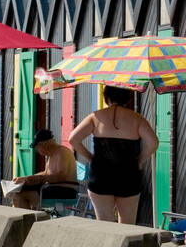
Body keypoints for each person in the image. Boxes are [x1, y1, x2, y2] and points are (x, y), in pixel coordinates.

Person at [67, 85, 157, 223]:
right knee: (127, 225)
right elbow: (153, 143)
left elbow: (73, 139)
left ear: (106, 97)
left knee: (105, 225)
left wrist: (90, 157)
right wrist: (140, 161)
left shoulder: (95, 117)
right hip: (128, 176)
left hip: (100, 175)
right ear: (127, 98)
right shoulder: (137, 119)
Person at [11, 129, 78, 210]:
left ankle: (31, 220)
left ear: (44, 145)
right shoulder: (52, 155)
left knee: (21, 195)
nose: (38, 151)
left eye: (38, 148)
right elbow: (46, 173)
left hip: (66, 191)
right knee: (17, 193)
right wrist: (24, 178)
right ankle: (32, 217)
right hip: (54, 188)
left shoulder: (62, 152)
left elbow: (61, 176)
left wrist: (38, 179)